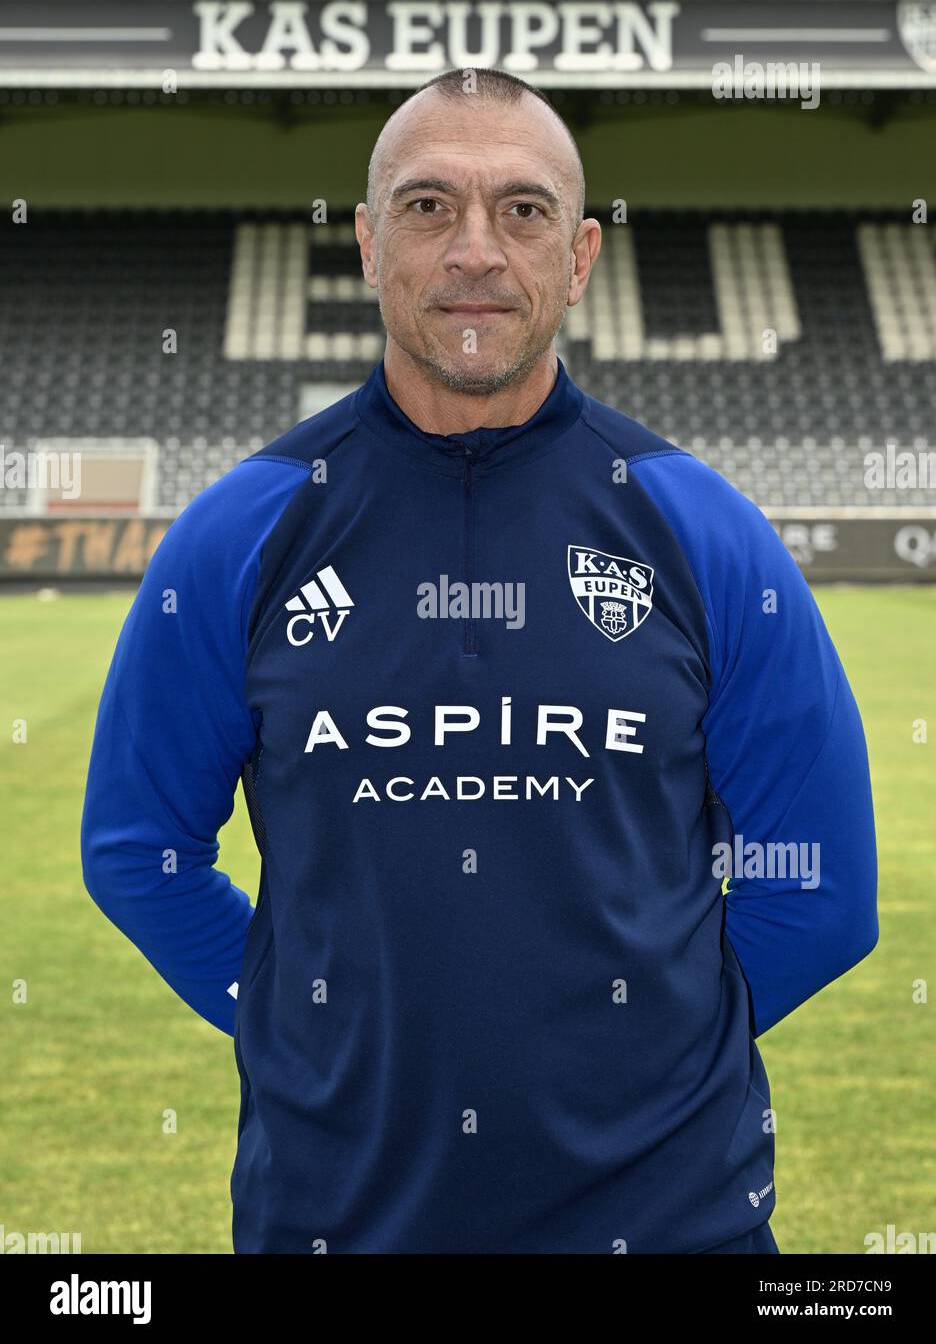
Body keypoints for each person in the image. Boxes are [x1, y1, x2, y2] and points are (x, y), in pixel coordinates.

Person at [80, 68, 879, 1254]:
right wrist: (297, 1027)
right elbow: (136, 851)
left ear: (581, 255)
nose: (473, 251)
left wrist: (652, 1047)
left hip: (668, 1222)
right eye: (425, 206)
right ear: (363, 241)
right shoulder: (243, 529)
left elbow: (820, 890)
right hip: (335, 1215)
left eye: (521, 209)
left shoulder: (700, 529)